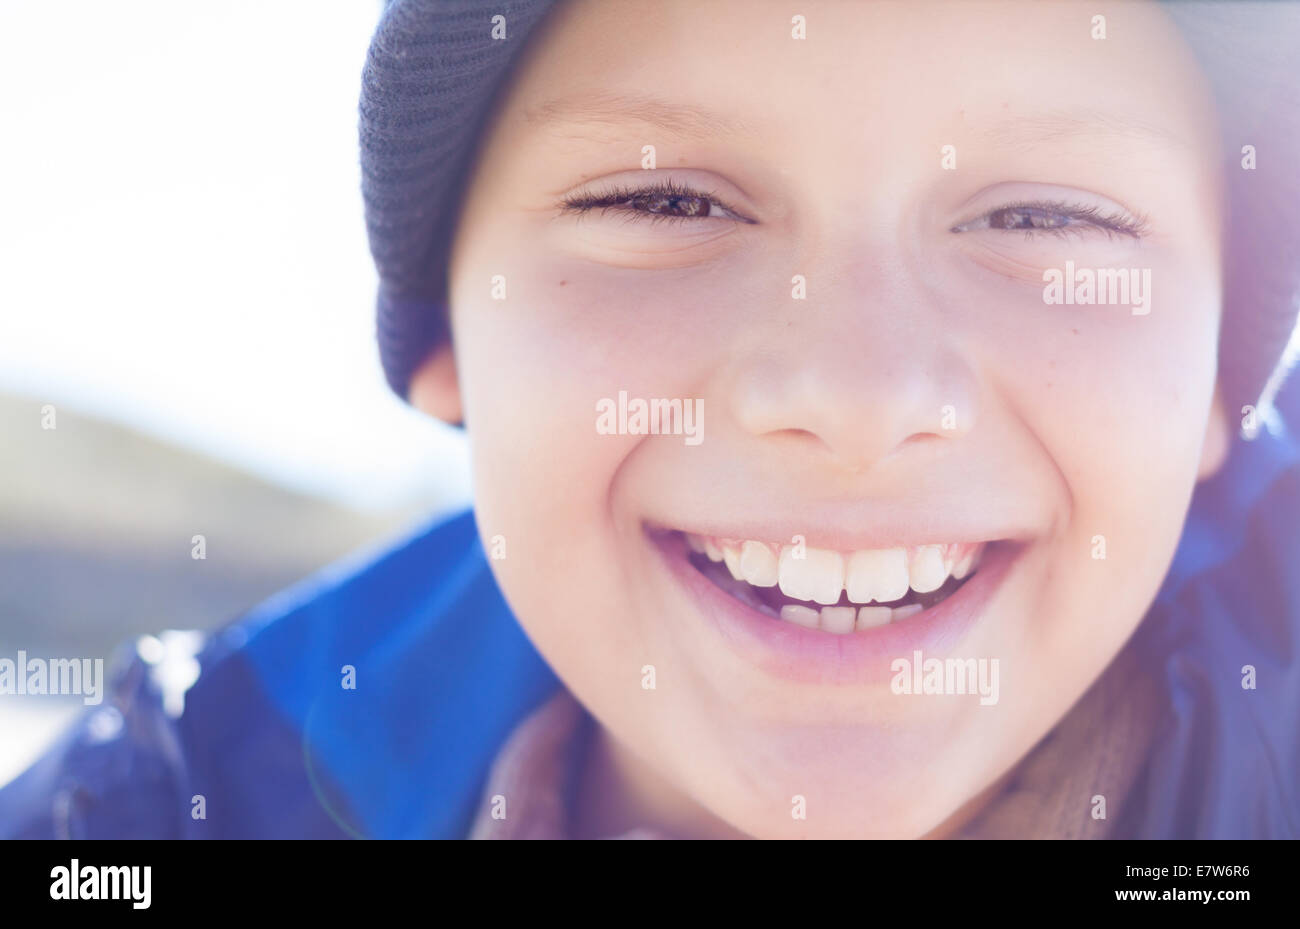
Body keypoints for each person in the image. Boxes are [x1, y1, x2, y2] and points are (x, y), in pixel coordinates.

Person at [3, 0, 1298, 839]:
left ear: (1210, 388)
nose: (858, 397)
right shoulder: (161, 816)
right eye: (669, 202)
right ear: (453, 342)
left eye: (1045, 217)